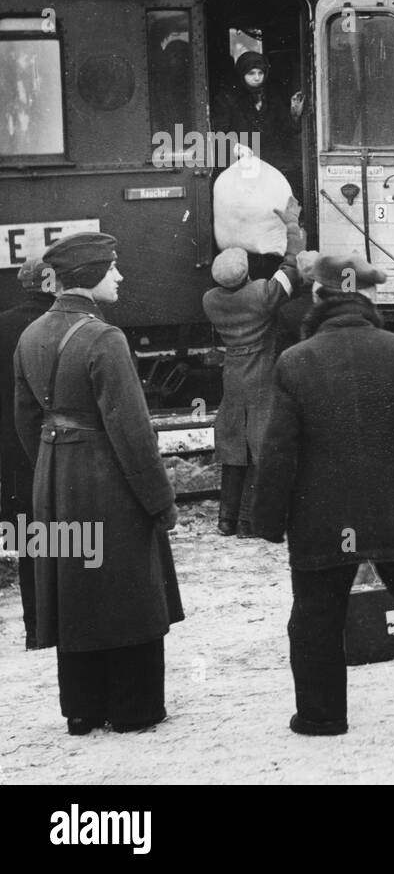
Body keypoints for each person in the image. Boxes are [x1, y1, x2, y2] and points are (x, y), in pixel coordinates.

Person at [252, 254, 394, 733]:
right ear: (370, 296)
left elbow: (278, 451)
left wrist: (269, 520)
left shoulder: (294, 363)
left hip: (322, 518)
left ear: (318, 297)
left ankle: (321, 715)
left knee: (316, 615)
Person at [13, 232, 184, 734]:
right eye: (112, 268)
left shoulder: (31, 335)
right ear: (90, 277)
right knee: (125, 587)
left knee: (76, 588)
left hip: (53, 474)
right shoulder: (104, 338)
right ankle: (134, 708)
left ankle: (83, 708)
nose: (120, 276)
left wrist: (52, 465)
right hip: (106, 478)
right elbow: (132, 433)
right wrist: (160, 501)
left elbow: (27, 420)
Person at [202, 197, 305, 537]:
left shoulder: (211, 301)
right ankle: (249, 522)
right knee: (260, 447)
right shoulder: (262, 295)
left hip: (233, 374)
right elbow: (291, 268)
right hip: (261, 372)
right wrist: (291, 226)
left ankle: (225, 520)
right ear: (247, 273)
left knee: (234, 448)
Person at [0, 255, 55, 649]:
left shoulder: (2, 325)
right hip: (58, 446)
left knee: (30, 540)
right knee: (77, 536)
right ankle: (66, 625)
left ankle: (35, 629)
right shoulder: (66, 325)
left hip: (12, 451)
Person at [210, 50, 305, 198]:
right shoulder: (226, 99)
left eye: (260, 73)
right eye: (251, 73)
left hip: (271, 160)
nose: (256, 78)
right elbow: (218, 134)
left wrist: (294, 113)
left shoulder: (272, 95)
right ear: (241, 74)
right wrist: (237, 147)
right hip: (240, 162)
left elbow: (285, 131)